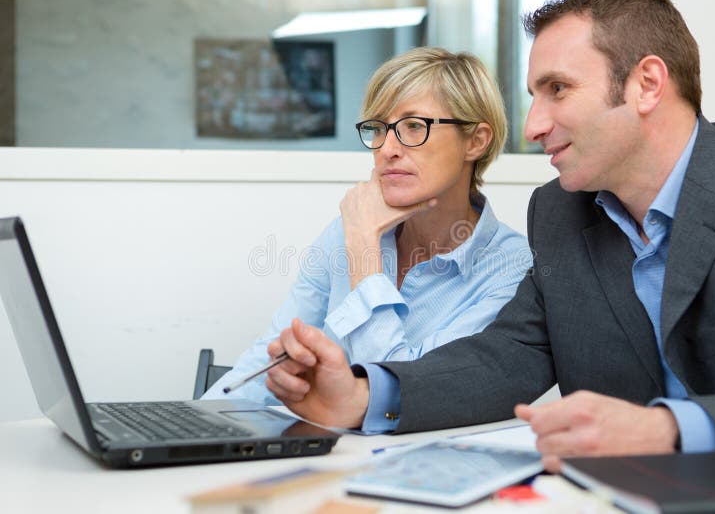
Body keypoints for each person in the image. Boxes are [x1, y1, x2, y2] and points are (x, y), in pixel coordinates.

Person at [264, 0, 715, 468]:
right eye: (533, 96)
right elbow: (506, 357)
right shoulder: (561, 213)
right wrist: (359, 394)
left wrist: (664, 428)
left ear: (647, 84)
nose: (533, 125)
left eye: (558, 89)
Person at [202, 47, 532, 404]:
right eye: (378, 128)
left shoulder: (511, 269)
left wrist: (363, 251)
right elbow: (266, 363)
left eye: (413, 126)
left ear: (476, 141)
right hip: (321, 450)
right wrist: (198, 428)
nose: (386, 148)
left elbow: (399, 394)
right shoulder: (347, 230)